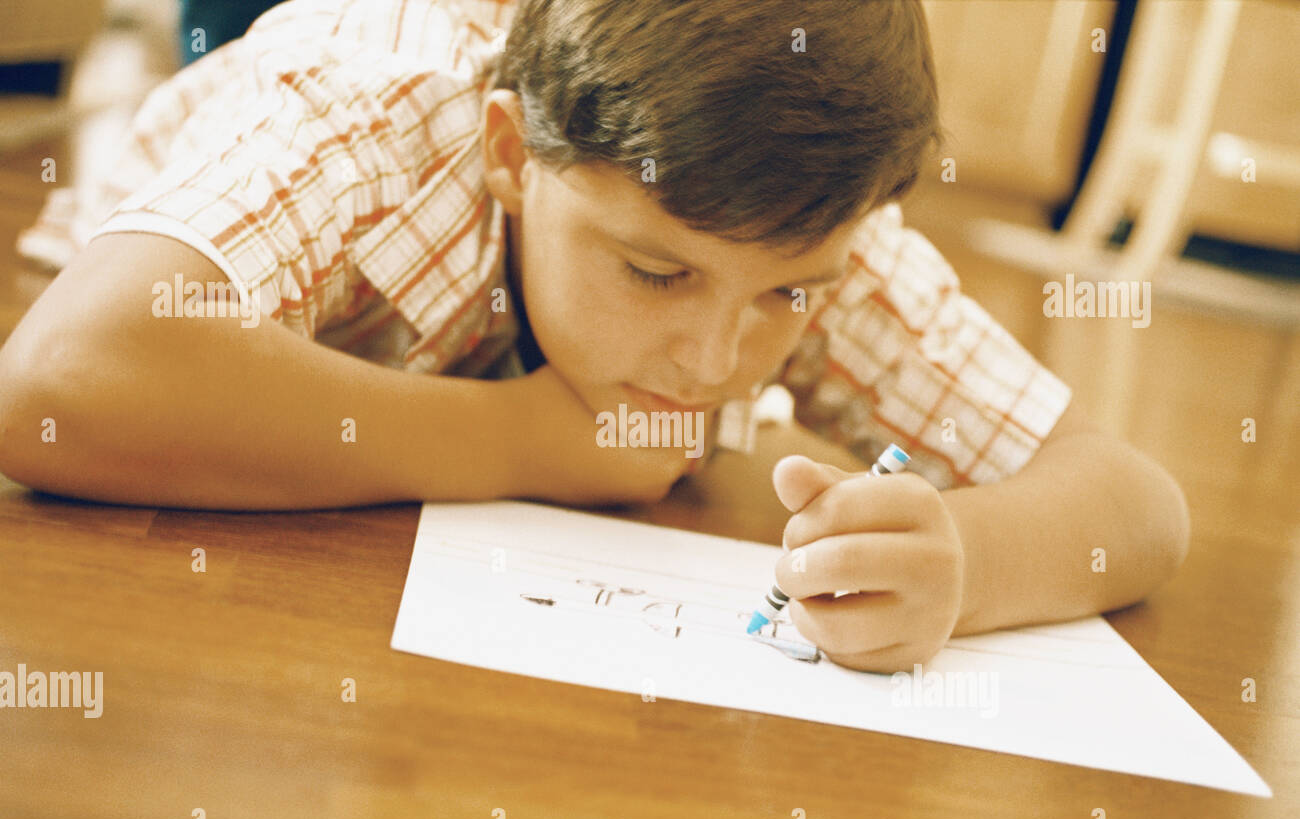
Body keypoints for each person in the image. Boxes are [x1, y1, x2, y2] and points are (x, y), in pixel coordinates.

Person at [0, 0, 1190, 672]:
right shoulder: (373, 104)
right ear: (514, 157)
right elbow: (59, 386)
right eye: (655, 271)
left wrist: (969, 562)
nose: (715, 361)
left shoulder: (802, 230)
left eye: (782, 299)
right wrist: (523, 442)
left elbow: (1135, 504)